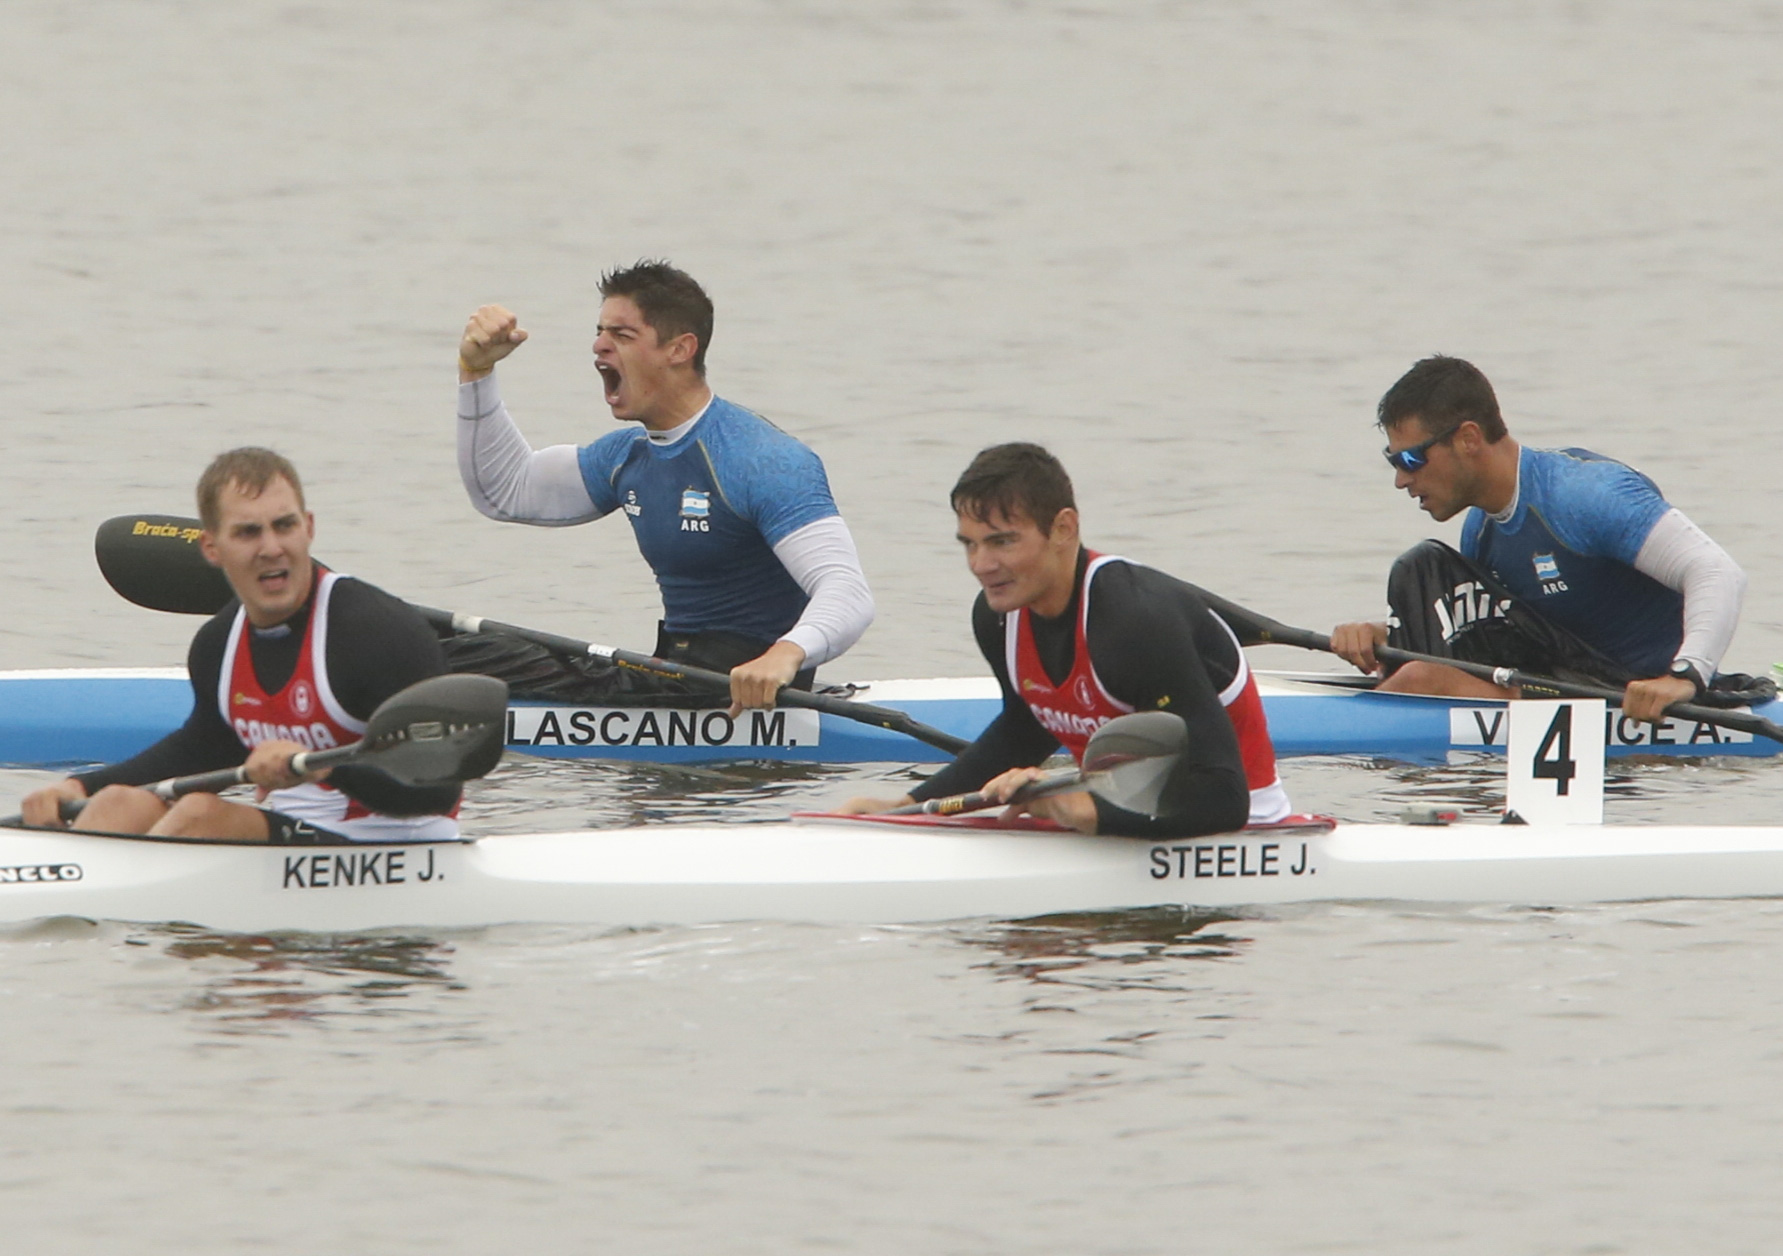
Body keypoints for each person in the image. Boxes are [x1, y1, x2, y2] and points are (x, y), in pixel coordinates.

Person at [454, 260, 874, 712]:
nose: (599, 345)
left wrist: (784, 656)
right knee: (447, 642)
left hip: (740, 690)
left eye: (622, 334)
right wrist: (476, 373)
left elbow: (847, 591)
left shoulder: (761, 460)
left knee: (458, 657)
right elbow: (506, 490)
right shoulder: (627, 456)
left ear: (680, 349)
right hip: (674, 674)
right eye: (600, 331)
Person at [841, 443, 1291, 837]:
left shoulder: (1136, 621)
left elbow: (1224, 800)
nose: (981, 564)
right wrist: (909, 805)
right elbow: (1025, 731)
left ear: (1063, 529)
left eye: (1002, 542)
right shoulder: (999, 616)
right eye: (970, 544)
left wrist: (1072, 807)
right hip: (1118, 808)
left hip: (1242, 826)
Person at [20, 449, 461, 842]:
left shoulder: (378, 632)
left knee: (198, 814)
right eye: (248, 533)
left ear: (308, 528)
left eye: (284, 526)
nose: (272, 548)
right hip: (298, 846)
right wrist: (78, 787)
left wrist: (324, 764)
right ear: (212, 547)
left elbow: (439, 789)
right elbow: (203, 749)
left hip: (397, 843)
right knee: (120, 802)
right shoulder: (217, 645)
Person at [1331, 355, 1751, 724]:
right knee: (1422, 573)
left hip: (1643, 700)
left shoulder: (1584, 495)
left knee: (1424, 672)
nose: (1401, 479)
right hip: (1567, 686)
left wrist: (1684, 677)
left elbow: (1717, 571)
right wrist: (1386, 634)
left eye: (1410, 459)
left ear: (1468, 439)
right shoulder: (1481, 527)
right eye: (1393, 461)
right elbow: (1503, 633)